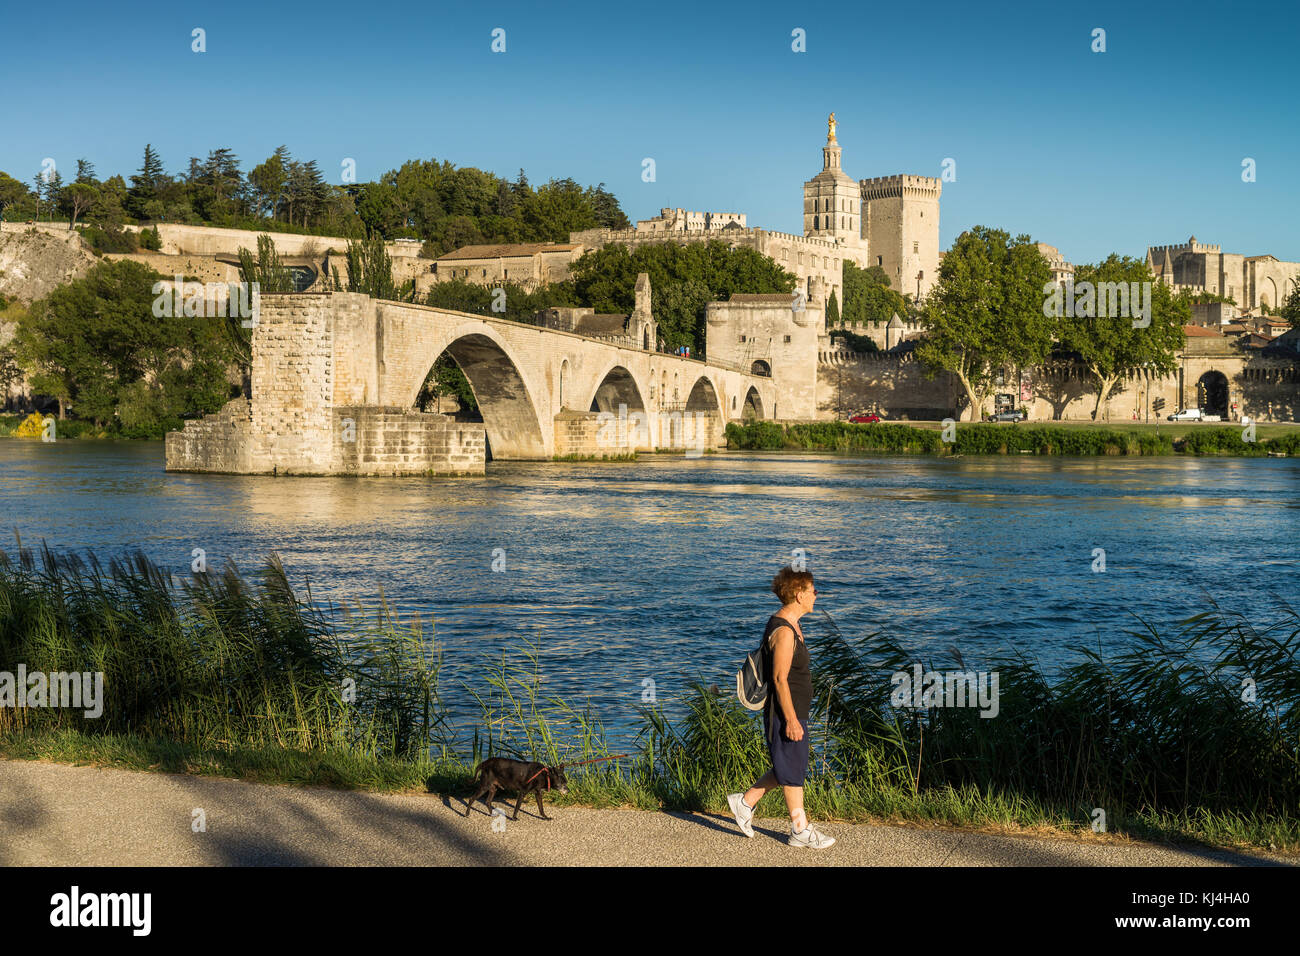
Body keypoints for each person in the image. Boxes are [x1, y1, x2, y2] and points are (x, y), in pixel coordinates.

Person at [727, 566, 835, 849]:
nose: (816, 594)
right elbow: (779, 678)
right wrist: (789, 719)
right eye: (813, 590)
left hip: (795, 709)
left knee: (790, 765)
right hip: (785, 712)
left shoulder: (792, 624)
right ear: (799, 594)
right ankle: (799, 829)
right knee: (792, 767)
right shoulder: (784, 631)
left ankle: (745, 802)